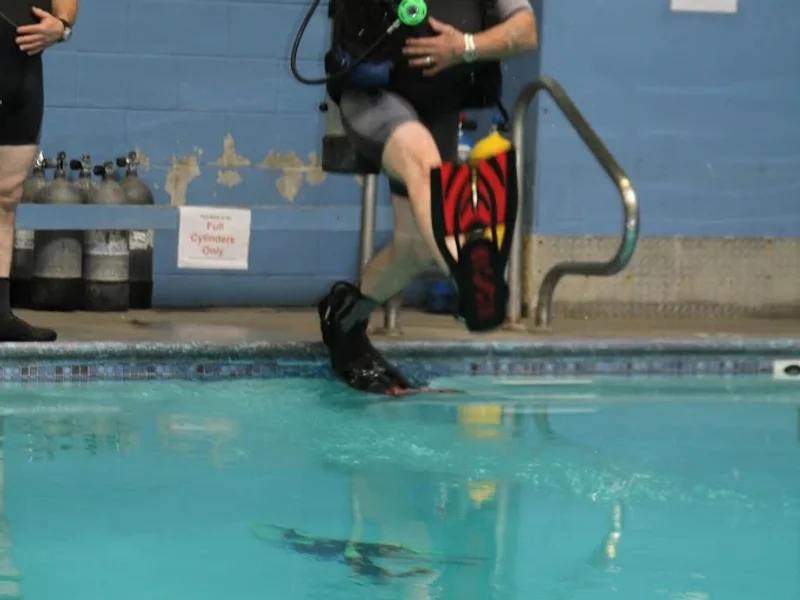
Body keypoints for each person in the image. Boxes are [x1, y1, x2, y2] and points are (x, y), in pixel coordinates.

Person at [317, 0, 538, 394]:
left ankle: (345, 319)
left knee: (415, 248)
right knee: (425, 165)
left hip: (439, 104)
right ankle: (467, 273)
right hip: (375, 94)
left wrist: (464, 46)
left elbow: (525, 32)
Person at [0, 0, 77, 342]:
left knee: (6, 197)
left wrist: (61, 26)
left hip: (22, 73)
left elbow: (66, 7)